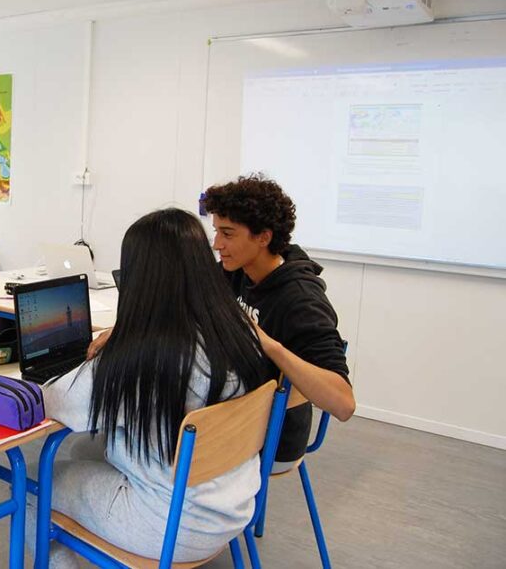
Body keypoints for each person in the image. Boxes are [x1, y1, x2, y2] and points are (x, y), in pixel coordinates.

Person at [31, 208, 270, 567]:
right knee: (84, 447)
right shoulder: (241, 331)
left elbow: (52, 402)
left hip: (170, 524)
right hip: (234, 505)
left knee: (41, 475)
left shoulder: (143, 359)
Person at [203, 174, 355, 470]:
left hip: (274, 439)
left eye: (228, 233)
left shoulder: (301, 301)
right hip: (240, 414)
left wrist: (268, 344)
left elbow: (344, 403)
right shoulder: (236, 269)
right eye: (216, 232)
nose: (217, 244)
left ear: (263, 237)